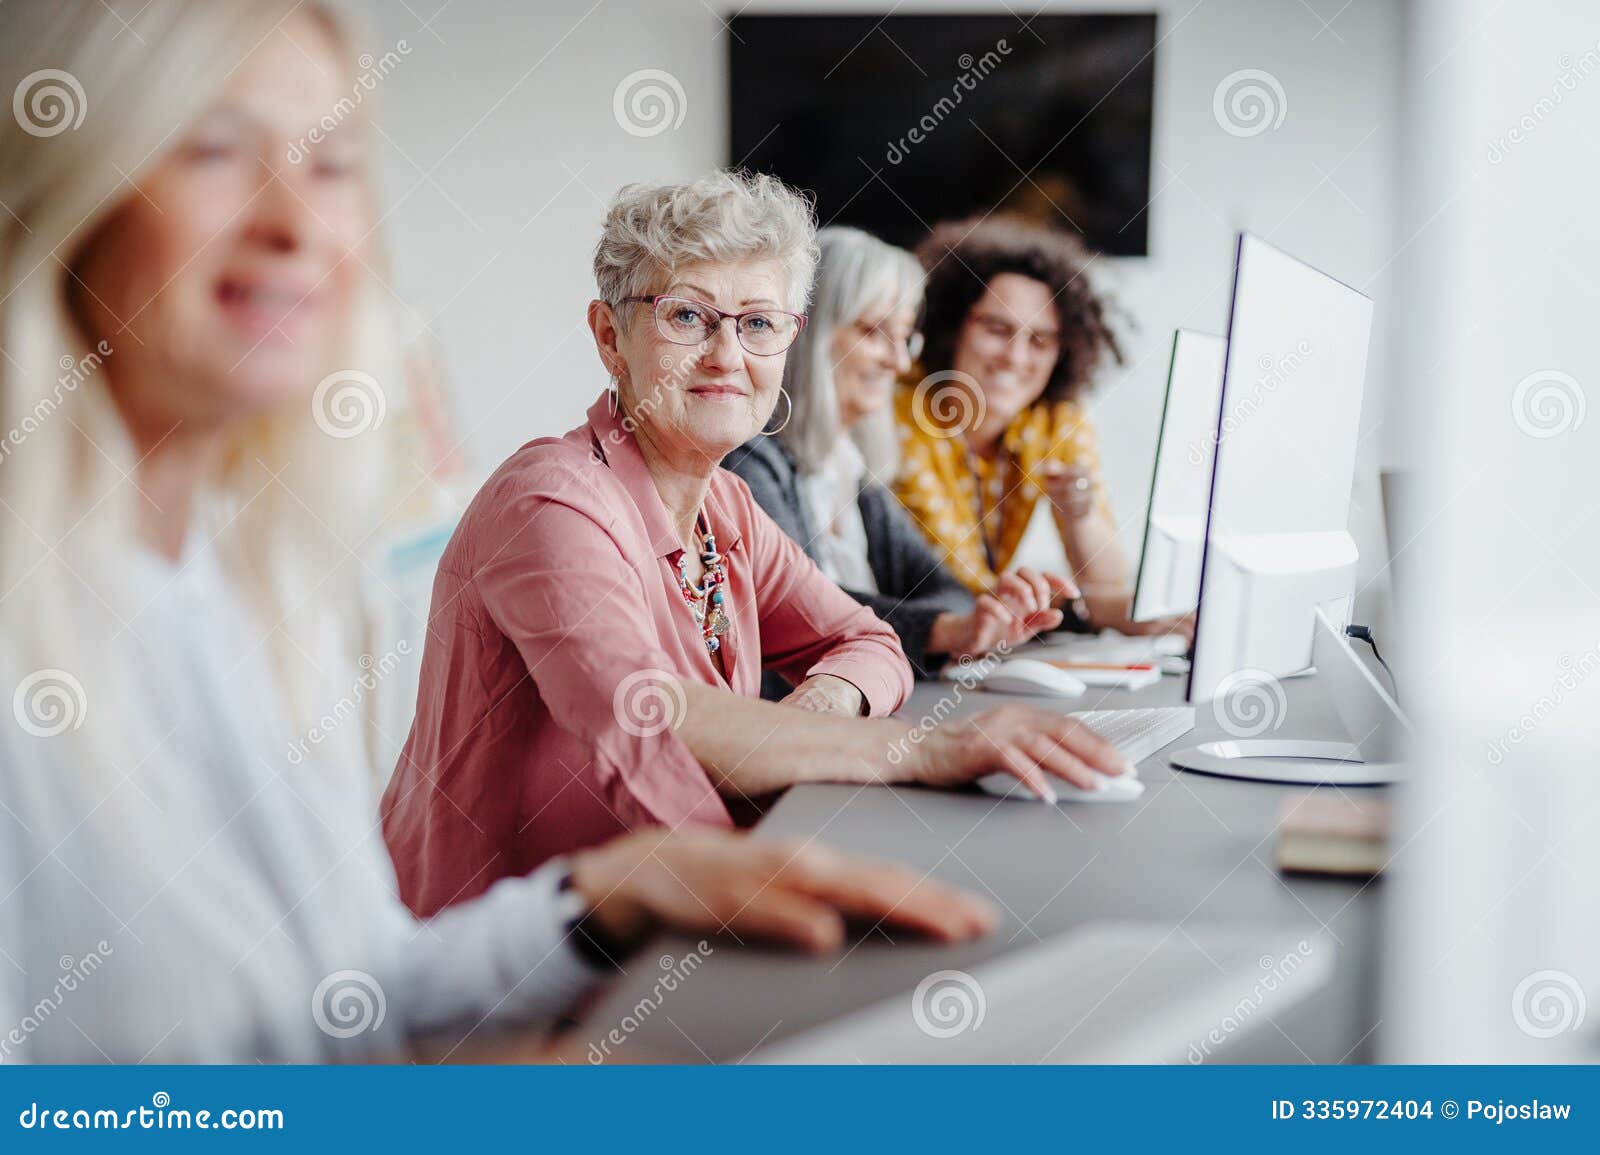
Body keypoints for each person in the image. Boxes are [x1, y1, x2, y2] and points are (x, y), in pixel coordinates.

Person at [0, 0, 996, 1064]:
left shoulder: (241, 587)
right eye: (212, 148)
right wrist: (899, 759)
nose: (295, 220)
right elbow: (646, 729)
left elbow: (350, 990)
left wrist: (622, 891)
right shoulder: (549, 498)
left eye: (333, 165)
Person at [382, 173, 1133, 917]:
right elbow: (648, 718)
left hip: (661, 921)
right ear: (611, 337)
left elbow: (869, 639)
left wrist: (817, 712)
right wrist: (931, 751)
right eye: (686, 316)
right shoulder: (549, 499)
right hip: (503, 976)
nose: (726, 354)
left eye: (759, 323)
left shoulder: (727, 506)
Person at [725, 226, 1073, 691]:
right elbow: (799, 609)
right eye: (873, 331)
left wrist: (971, 619)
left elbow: (947, 590)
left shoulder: (848, 466)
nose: (899, 362)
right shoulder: (747, 460)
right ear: (805, 331)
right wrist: (945, 629)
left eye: (904, 337)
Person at [893, 216, 1193, 639]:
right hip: (905, 641)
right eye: (997, 330)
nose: (1016, 358)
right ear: (952, 328)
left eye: (1040, 340)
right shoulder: (900, 408)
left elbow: (1108, 583)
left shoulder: (1053, 418)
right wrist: (1072, 607)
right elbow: (960, 580)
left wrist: (1079, 512)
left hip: (976, 646)